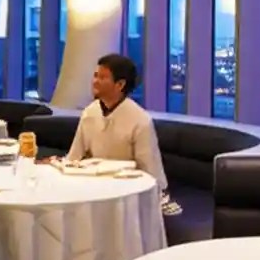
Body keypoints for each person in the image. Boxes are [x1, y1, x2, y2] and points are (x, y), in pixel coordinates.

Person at [67, 54, 181, 216]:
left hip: (127, 193)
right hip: (94, 188)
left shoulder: (139, 120)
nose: (95, 82)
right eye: (95, 76)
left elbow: (150, 167)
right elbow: (74, 157)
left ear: (120, 84)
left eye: (103, 77)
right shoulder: (89, 113)